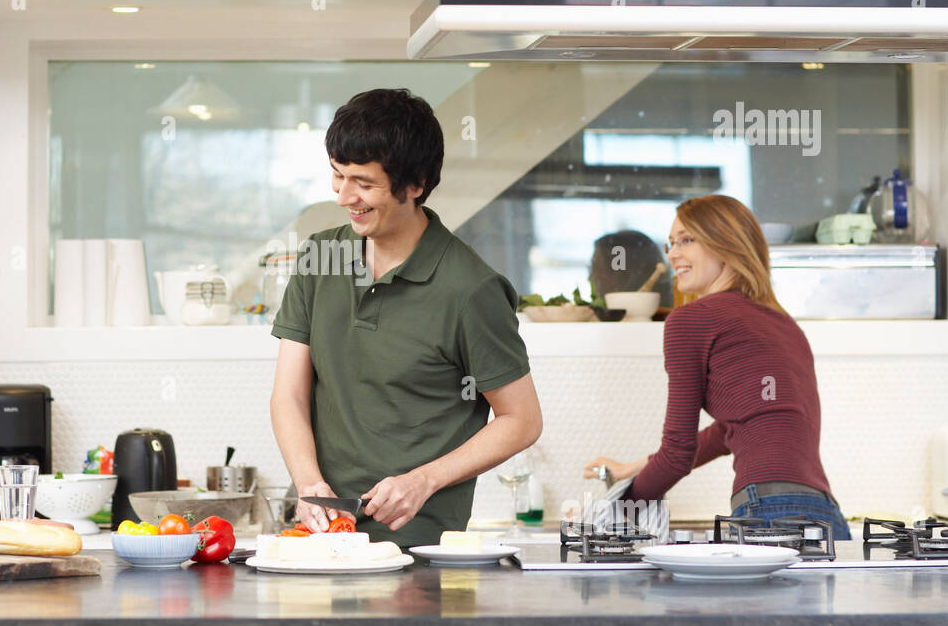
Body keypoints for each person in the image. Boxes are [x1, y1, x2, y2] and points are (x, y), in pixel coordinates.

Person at [270, 88, 543, 549]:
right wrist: (309, 482)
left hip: (419, 548)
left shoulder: (470, 289)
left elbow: (522, 419)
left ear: (414, 184)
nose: (343, 196)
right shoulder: (321, 256)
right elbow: (289, 394)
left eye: (364, 182)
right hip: (322, 538)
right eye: (337, 176)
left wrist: (423, 481)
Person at [582, 195, 850, 538]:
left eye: (687, 240)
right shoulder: (784, 325)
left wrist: (619, 508)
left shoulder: (691, 319)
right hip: (824, 512)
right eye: (671, 242)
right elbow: (732, 429)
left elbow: (677, 454)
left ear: (726, 244)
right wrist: (637, 467)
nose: (673, 253)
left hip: (768, 512)